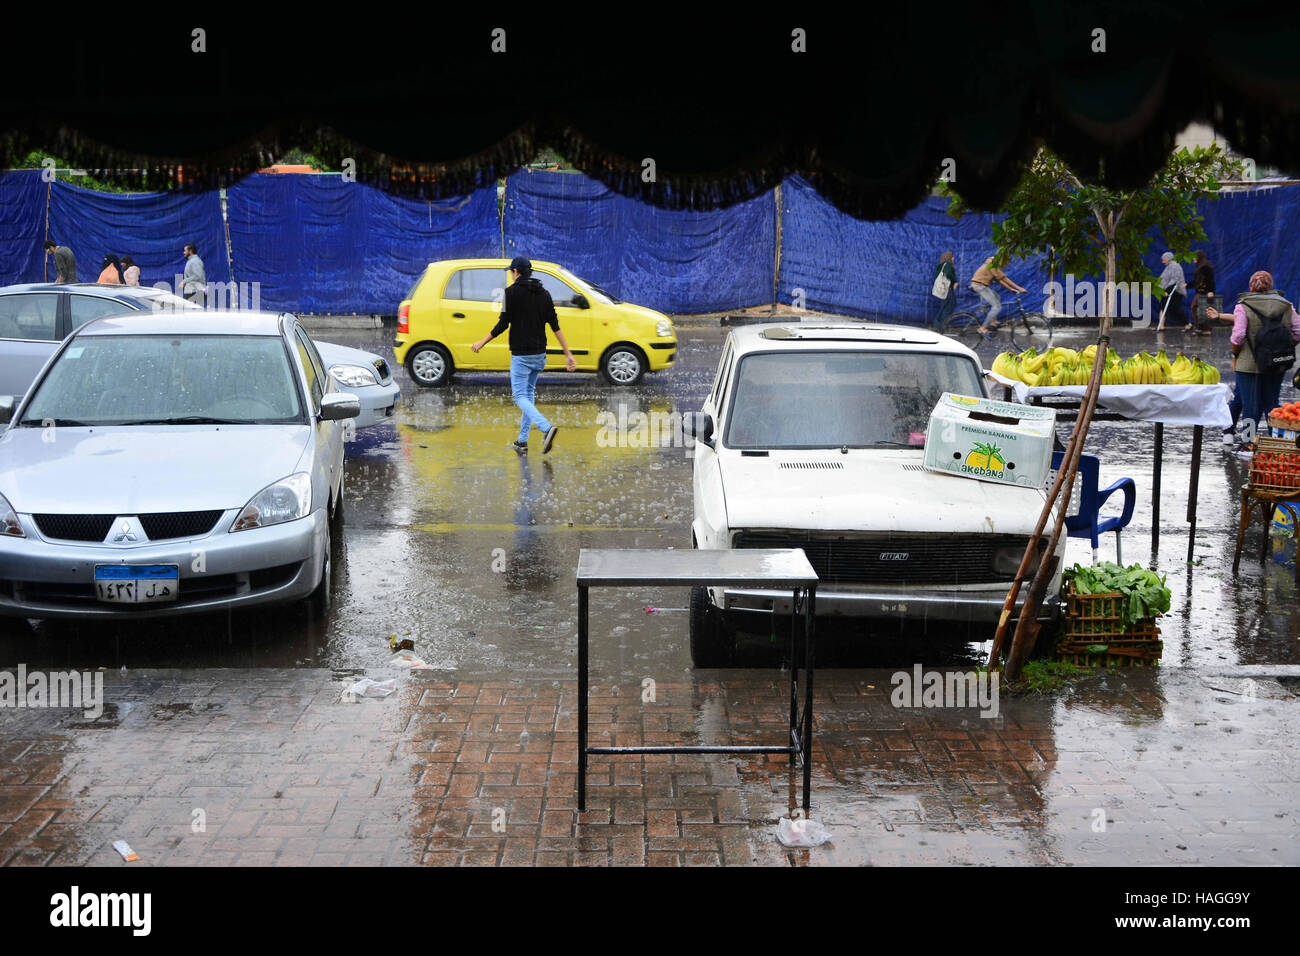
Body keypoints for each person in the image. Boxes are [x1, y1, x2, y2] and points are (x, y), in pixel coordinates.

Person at [470, 257, 577, 454]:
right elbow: (555, 326)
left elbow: (503, 324)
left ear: (516, 272)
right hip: (539, 356)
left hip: (521, 356)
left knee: (519, 397)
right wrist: (568, 354)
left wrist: (481, 342)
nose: (511, 275)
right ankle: (522, 441)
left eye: (511, 272)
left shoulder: (510, 293)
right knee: (528, 396)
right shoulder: (544, 294)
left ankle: (546, 428)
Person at [1207, 270, 1300, 457]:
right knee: (1272, 404)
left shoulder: (1244, 305)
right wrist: (1286, 347)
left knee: (1250, 406)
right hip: (1277, 363)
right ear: (1271, 286)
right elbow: (1298, 331)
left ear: (1251, 286)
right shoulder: (1286, 306)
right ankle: (1278, 443)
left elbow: (1239, 335)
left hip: (1249, 365)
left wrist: (1235, 354)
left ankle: (1248, 444)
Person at [969, 253, 1028, 334]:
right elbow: (1004, 278)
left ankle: (993, 321)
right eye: (1006, 263)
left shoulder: (993, 264)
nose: (1006, 265)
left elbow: (999, 280)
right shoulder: (992, 264)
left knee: (997, 297)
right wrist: (1019, 288)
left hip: (981, 285)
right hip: (979, 286)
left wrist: (1011, 289)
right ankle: (983, 328)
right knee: (996, 307)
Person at [1156, 252, 1190, 332]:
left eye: (1164, 260)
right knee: (1162, 306)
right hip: (1168, 290)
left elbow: (1175, 280)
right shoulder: (1169, 267)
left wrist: (1167, 291)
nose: (1163, 262)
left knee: (1175, 308)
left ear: (1168, 259)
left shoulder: (1175, 266)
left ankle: (1188, 324)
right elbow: (1164, 279)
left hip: (1176, 291)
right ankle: (1161, 325)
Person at [1189, 251, 1215, 335]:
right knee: (1196, 308)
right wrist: (1187, 285)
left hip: (1204, 292)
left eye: (1194, 257)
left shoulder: (1205, 267)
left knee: (1201, 308)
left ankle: (1205, 329)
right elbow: (1198, 281)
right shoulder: (1200, 266)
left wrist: (1211, 291)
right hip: (1201, 291)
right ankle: (1201, 327)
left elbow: (1210, 279)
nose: (1193, 259)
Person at [932, 251, 957, 328]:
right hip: (948, 289)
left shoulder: (941, 265)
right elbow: (948, 273)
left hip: (944, 289)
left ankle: (937, 325)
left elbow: (936, 276)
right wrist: (955, 281)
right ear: (949, 257)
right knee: (949, 307)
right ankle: (941, 326)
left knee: (944, 307)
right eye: (952, 256)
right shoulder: (948, 264)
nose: (953, 258)